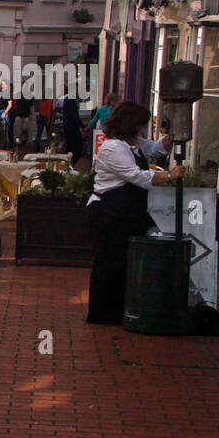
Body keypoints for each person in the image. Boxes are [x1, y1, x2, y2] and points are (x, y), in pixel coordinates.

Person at [85, 100, 184, 325]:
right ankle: (103, 313)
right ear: (130, 125)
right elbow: (137, 176)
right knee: (109, 262)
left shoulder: (133, 144)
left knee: (123, 262)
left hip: (126, 213)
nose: (142, 130)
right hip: (109, 213)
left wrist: (173, 136)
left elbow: (155, 148)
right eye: (140, 125)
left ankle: (119, 309)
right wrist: (170, 175)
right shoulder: (113, 148)